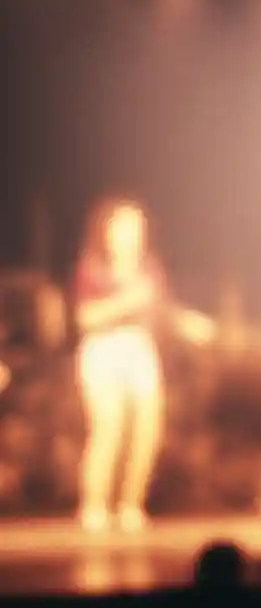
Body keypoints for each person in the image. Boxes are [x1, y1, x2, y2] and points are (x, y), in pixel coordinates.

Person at [74, 196, 169, 533]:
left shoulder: (149, 269)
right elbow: (85, 318)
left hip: (139, 348)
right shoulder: (92, 268)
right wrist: (125, 302)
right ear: (107, 232)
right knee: (108, 428)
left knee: (148, 427)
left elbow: (160, 312)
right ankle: (94, 506)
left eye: (137, 227)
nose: (132, 234)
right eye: (124, 226)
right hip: (103, 349)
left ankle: (131, 505)